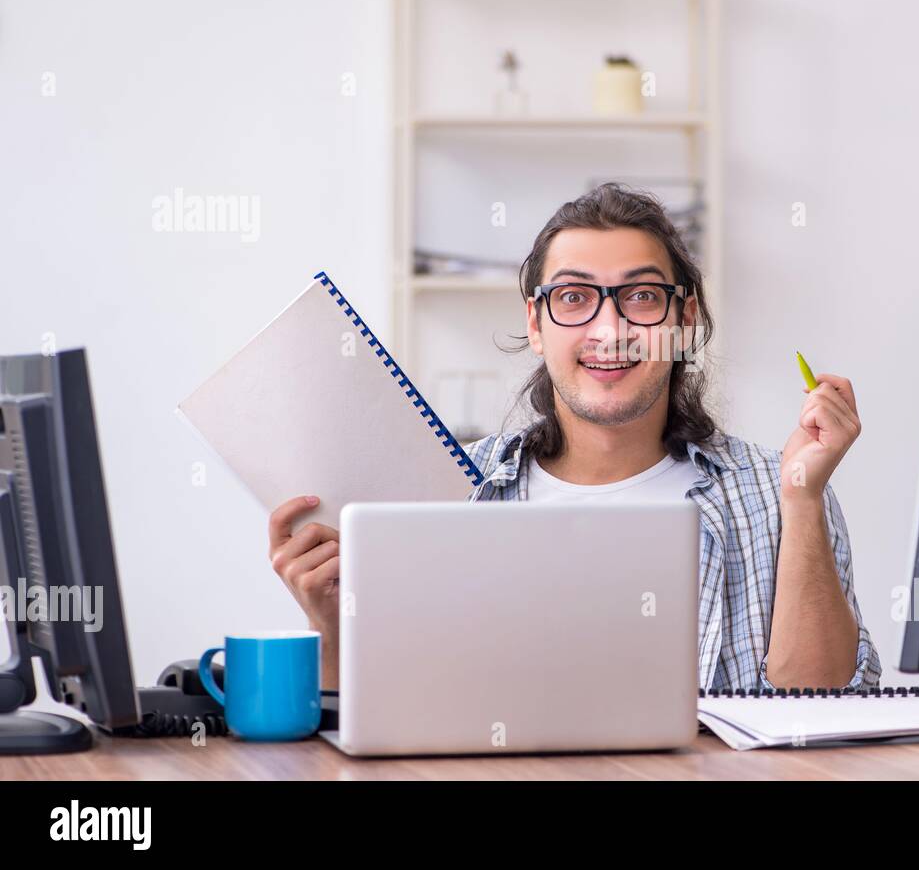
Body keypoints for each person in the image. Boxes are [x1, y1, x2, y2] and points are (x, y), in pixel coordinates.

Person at [268, 183, 881, 691]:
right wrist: (332, 625)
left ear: (684, 318)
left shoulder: (782, 491)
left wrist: (801, 500)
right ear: (535, 323)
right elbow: (390, 717)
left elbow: (823, 709)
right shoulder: (446, 490)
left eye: (642, 297)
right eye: (575, 297)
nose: (608, 329)